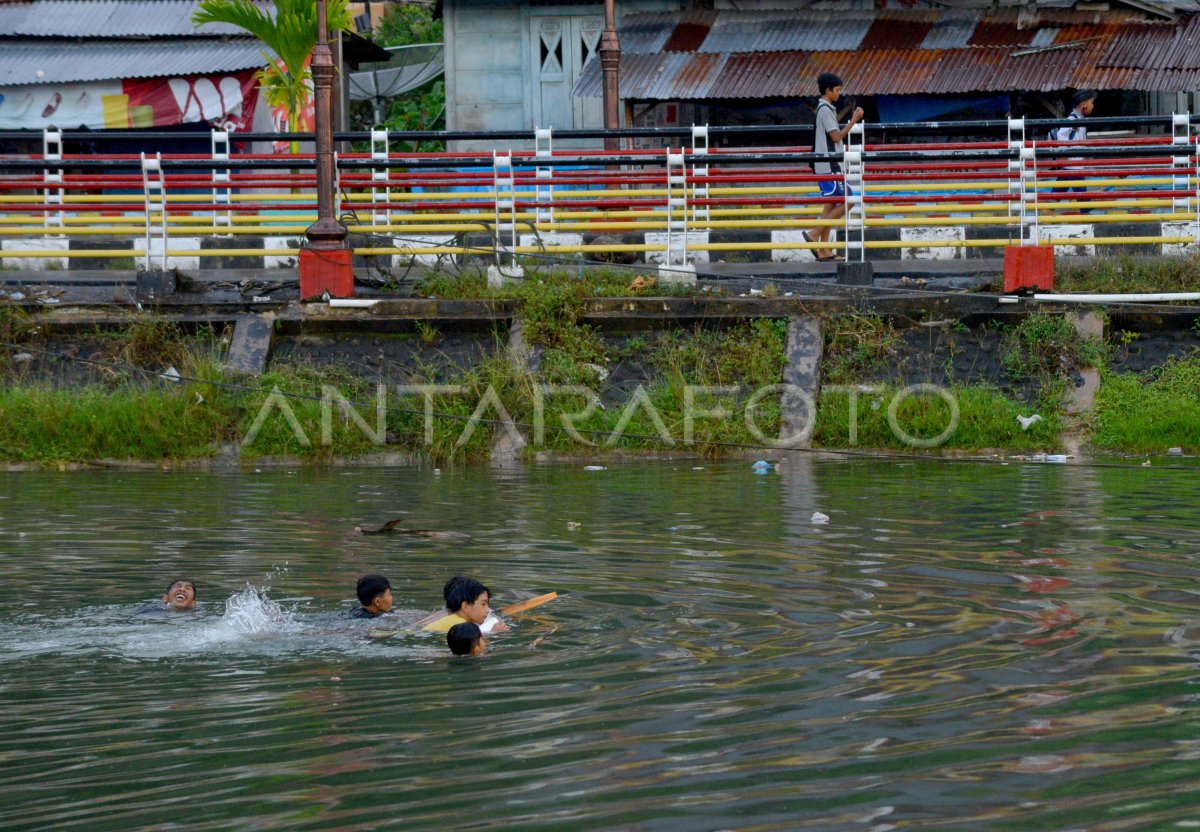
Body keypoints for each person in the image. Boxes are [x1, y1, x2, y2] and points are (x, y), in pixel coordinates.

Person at [806, 72, 864, 262]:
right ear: (828, 90)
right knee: (850, 199)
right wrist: (853, 120)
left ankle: (824, 250)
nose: (839, 93)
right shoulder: (824, 109)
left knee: (830, 206)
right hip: (829, 165)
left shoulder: (825, 108)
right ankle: (814, 234)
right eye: (837, 90)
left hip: (829, 164)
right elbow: (836, 137)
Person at [1050, 89, 1097, 210]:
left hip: (1073, 164)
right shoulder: (1072, 120)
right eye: (1091, 103)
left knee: (1059, 190)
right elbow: (1061, 134)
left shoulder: (1080, 119)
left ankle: (1048, 209)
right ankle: (1086, 214)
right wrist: (1065, 152)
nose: (1093, 106)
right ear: (1084, 104)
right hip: (1073, 165)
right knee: (1081, 192)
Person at [423, 576, 509, 633]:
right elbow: (474, 645)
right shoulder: (461, 626)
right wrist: (494, 632)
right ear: (465, 606)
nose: (488, 610)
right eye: (483, 604)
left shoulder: (449, 618)